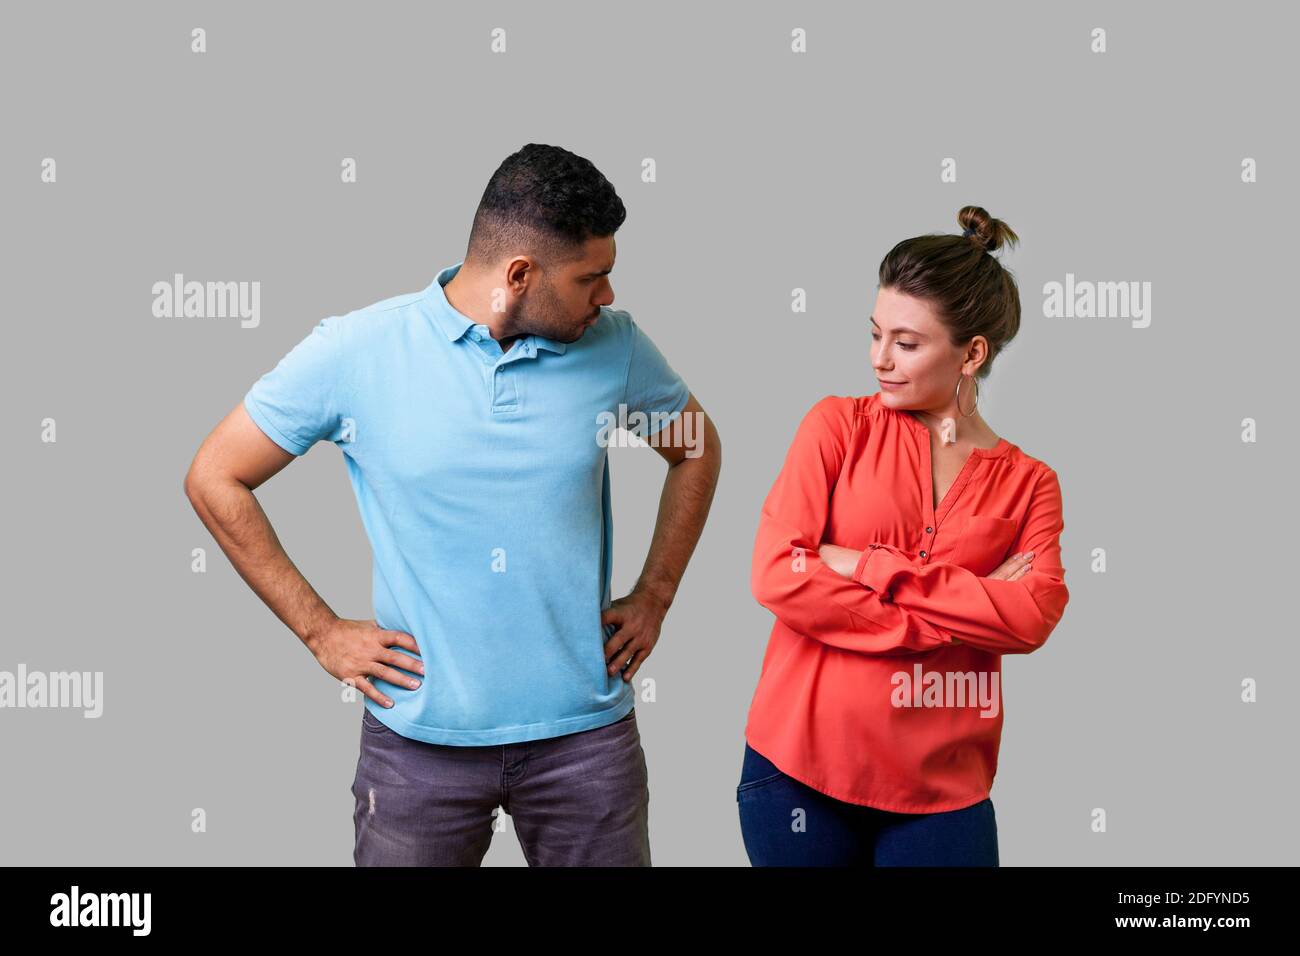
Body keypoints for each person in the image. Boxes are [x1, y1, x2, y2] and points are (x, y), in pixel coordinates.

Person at [183, 143, 721, 866]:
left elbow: (696, 448)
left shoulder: (615, 348)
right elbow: (215, 475)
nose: (609, 297)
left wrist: (655, 595)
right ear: (520, 275)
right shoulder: (356, 351)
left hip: (584, 745)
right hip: (415, 751)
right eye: (592, 277)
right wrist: (319, 632)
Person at [739, 206, 1069, 866]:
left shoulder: (1031, 484)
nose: (879, 360)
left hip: (943, 794)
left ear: (972, 353)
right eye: (875, 334)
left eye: (907, 343)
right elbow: (778, 573)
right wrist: (963, 611)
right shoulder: (834, 426)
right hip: (797, 775)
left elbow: (1030, 619)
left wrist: (865, 565)